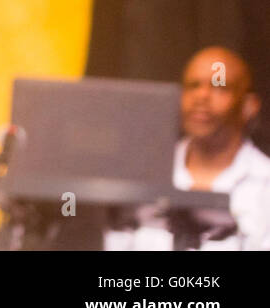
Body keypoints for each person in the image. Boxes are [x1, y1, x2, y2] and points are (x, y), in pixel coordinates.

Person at [104, 46, 270, 250]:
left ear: (248, 106)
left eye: (220, 86)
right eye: (193, 85)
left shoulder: (265, 183)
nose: (202, 96)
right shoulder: (143, 172)